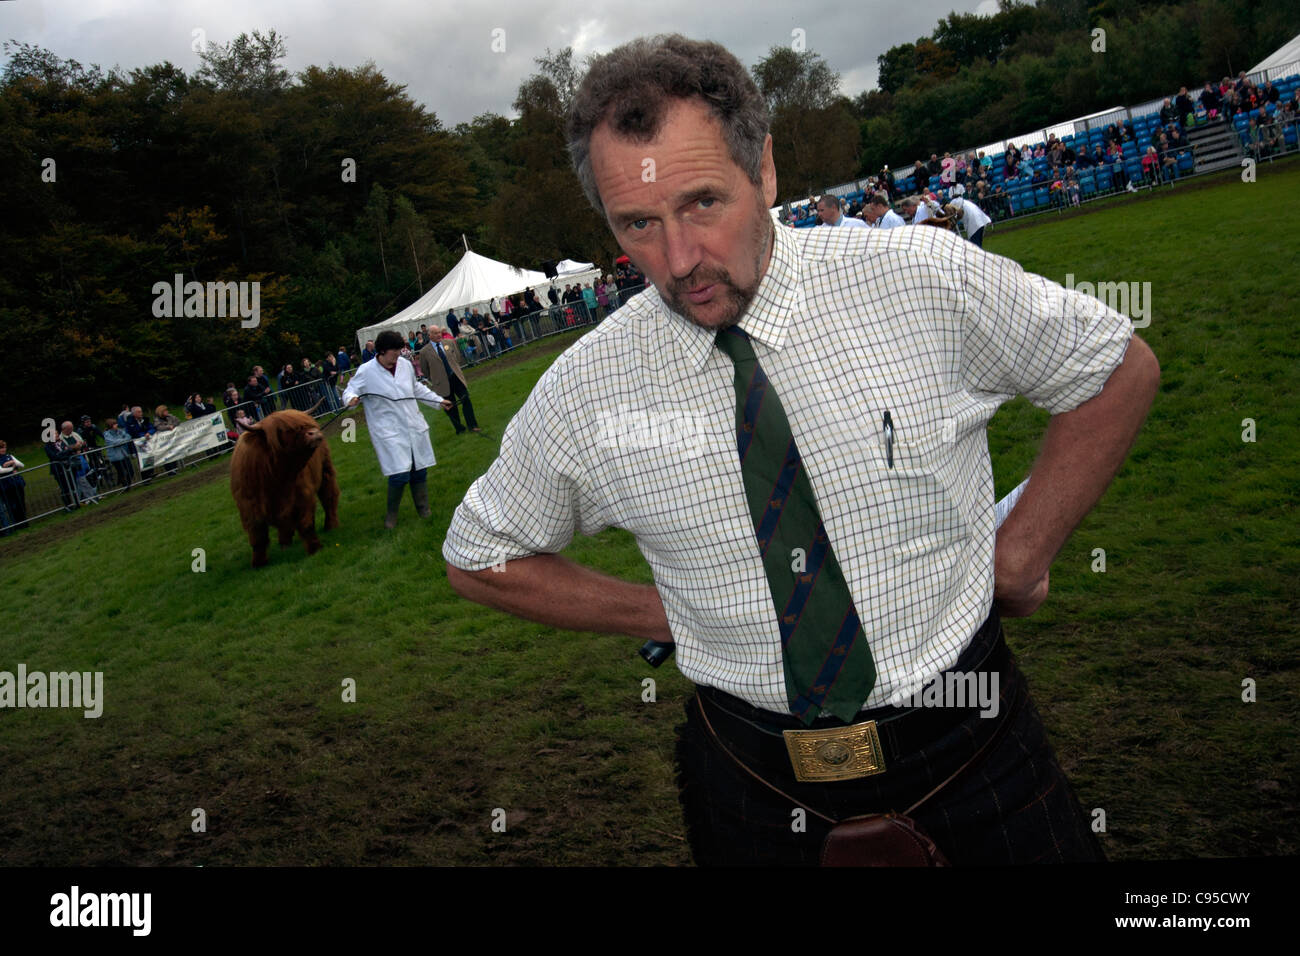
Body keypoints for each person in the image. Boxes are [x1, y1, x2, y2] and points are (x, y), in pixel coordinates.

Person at [441, 33, 1160, 867]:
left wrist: (1021, 552)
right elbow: (479, 555)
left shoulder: (919, 278)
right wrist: (670, 614)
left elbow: (1114, 367)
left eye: (703, 203)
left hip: (972, 747)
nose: (678, 260)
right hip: (753, 784)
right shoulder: (586, 390)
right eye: (637, 223)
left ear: (766, 171)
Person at [342, 329, 453, 529]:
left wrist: (438, 401)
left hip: (412, 423)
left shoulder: (404, 365)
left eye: (399, 353)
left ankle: (424, 510)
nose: (396, 358)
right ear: (382, 352)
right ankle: (391, 517)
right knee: (400, 473)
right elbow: (350, 390)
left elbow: (416, 388)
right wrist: (351, 399)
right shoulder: (366, 371)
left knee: (419, 469)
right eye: (393, 354)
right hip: (388, 430)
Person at [418, 326, 483, 437]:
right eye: (435, 333)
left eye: (439, 332)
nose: (439, 335)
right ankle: (459, 429)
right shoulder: (424, 351)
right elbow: (425, 369)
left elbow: (457, 357)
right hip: (441, 383)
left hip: (456, 377)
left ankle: (472, 425)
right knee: (450, 407)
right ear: (430, 335)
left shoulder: (449, 342)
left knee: (466, 399)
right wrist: (436, 378)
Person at [0, 439, 27, 532]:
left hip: (16, 482)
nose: (3, 449)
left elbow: (21, 465)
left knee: (21, 502)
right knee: (12, 505)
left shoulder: (9, 456)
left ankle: (24, 521)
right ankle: (17, 524)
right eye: (1, 448)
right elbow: (1, 470)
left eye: (4, 447)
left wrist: (10, 464)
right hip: (6, 485)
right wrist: (12, 467)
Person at [103, 418, 135, 490]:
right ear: (110, 426)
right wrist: (123, 441)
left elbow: (128, 436)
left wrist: (121, 441)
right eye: (114, 424)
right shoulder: (107, 434)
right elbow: (114, 443)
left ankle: (127, 484)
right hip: (115, 457)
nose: (116, 425)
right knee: (122, 472)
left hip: (124, 454)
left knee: (131, 471)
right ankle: (125, 486)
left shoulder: (120, 431)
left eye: (116, 423)